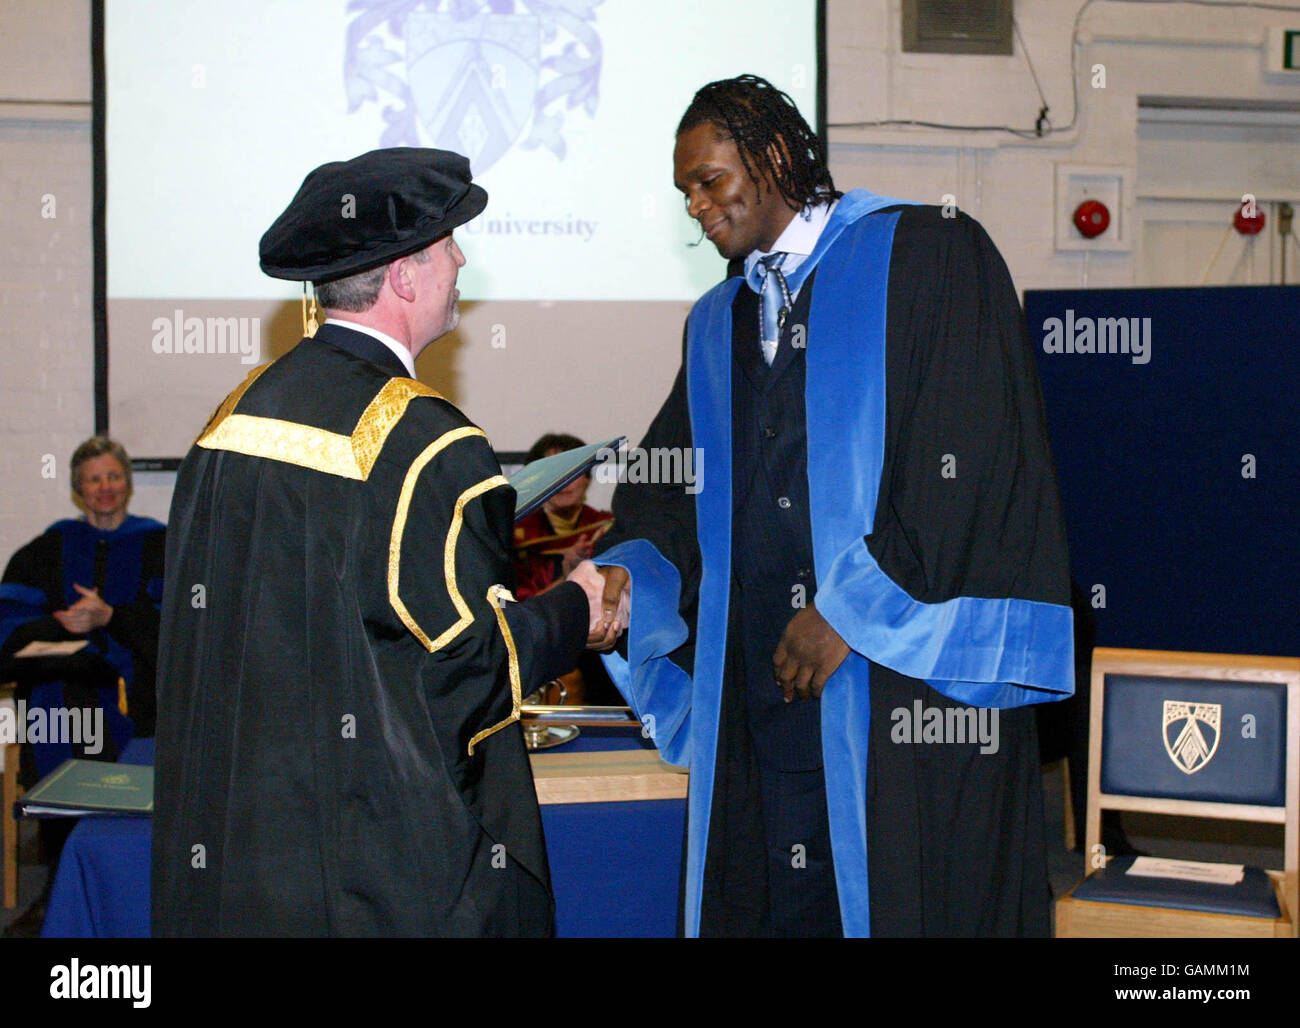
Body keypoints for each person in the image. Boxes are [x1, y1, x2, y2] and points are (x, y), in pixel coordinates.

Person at [593, 75, 1075, 937]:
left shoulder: (929, 256)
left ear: (775, 156)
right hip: (765, 702)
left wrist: (853, 608)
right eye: (686, 194)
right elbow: (671, 489)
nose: (698, 209)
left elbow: (969, 453)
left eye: (711, 181)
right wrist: (629, 579)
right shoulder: (718, 323)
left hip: (895, 702)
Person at [152, 148, 615, 937]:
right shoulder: (432, 445)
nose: (462, 260)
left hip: (242, 861)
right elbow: (468, 675)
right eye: (448, 245)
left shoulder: (231, 419)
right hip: (379, 871)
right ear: (404, 274)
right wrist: (579, 608)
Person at [0, 435, 164, 936]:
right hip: (62, 687)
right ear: (79, 490)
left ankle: (119, 892)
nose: (105, 487)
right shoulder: (50, 545)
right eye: (94, 479)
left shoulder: (159, 542)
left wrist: (111, 615)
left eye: (113, 476)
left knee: (104, 713)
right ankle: (57, 888)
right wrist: (63, 622)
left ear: (128, 485)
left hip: (134, 693)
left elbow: (182, 619)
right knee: (56, 706)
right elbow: (10, 616)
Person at [512, 433, 613, 601]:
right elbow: (512, 605)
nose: (564, 481)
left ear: (587, 478)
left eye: (573, 471)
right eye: (552, 473)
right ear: (534, 483)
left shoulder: (607, 527)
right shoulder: (514, 536)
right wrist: (568, 577)